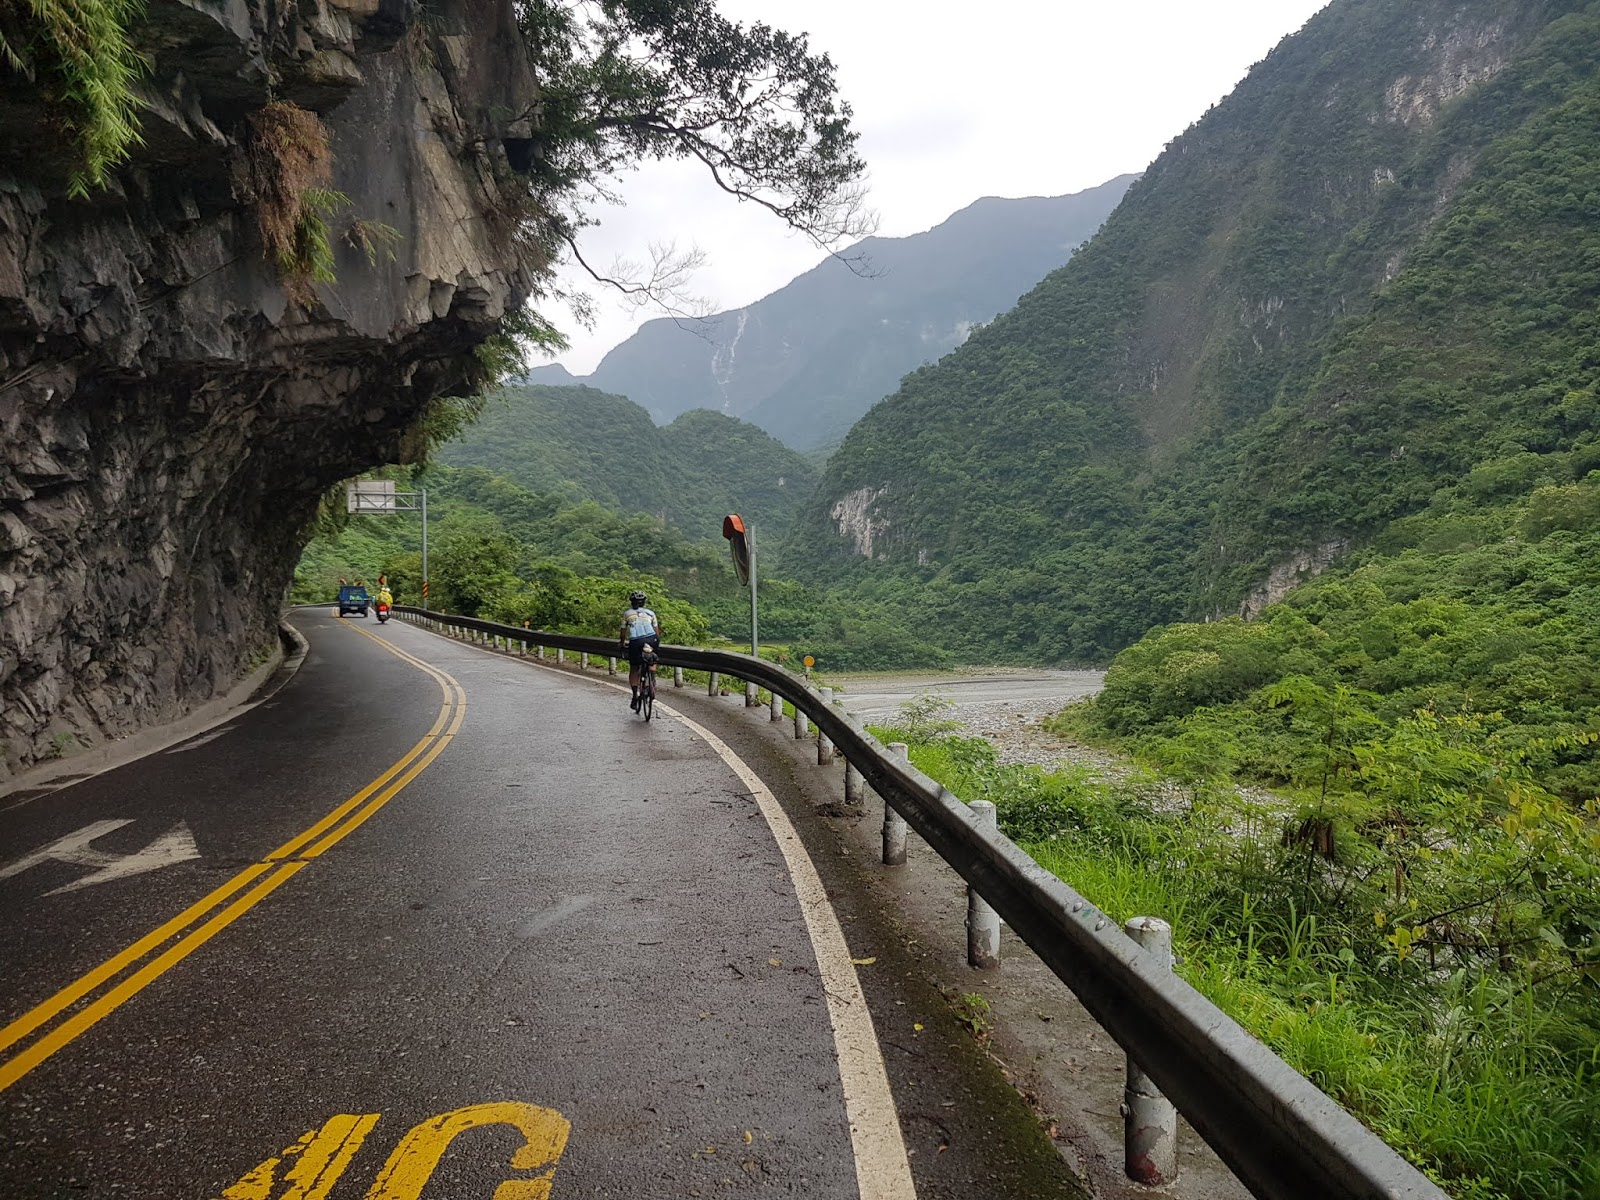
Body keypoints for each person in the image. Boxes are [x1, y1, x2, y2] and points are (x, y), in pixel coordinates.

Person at [619, 590, 661, 711]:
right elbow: (656, 631)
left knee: (634, 667)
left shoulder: (627, 614)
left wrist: (621, 644)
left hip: (636, 641)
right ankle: (651, 682)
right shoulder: (651, 613)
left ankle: (634, 696)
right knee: (652, 660)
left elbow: (623, 632)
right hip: (652, 638)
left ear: (632, 602)